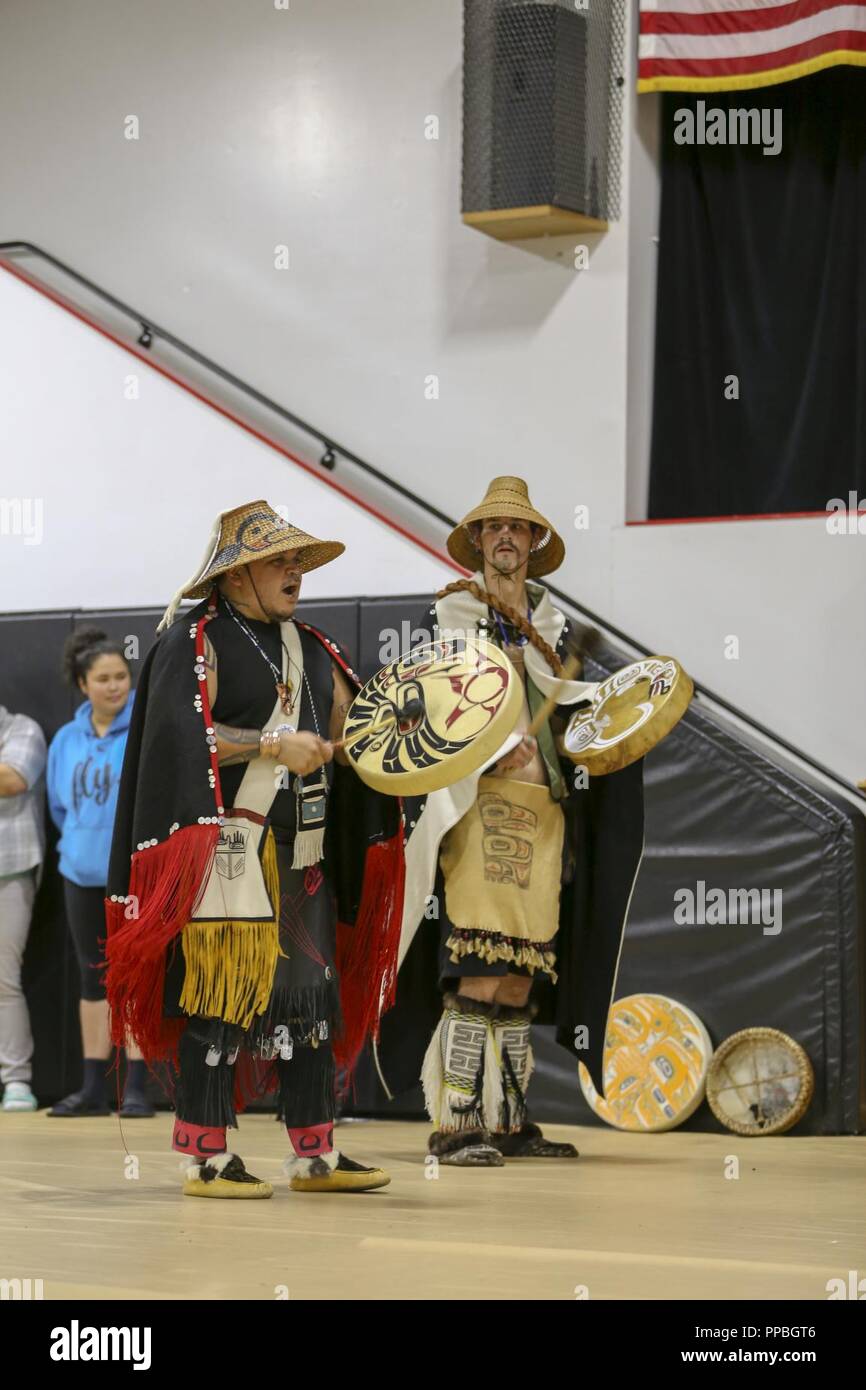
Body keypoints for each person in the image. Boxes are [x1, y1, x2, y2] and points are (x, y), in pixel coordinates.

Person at [105, 501, 404, 1198]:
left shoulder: (315, 648)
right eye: (281, 560)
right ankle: (205, 1158)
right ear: (238, 576)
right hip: (227, 853)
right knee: (224, 998)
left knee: (310, 1001)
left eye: (298, 559)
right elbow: (182, 739)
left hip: (304, 853)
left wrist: (411, 736)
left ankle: (314, 1154)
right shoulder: (193, 640)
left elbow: (354, 735)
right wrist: (272, 743)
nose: (295, 571)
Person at [376, 476, 645, 1165]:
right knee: (476, 963)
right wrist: (493, 743)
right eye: (492, 526)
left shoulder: (553, 627)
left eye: (516, 527)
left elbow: (571, 706)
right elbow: (438, 705)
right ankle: (456, 1120)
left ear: (533, 542)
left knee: (523, 972)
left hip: (544, 813)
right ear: (478, 542)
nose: (504, 536)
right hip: (478, 808)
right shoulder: (453, 617)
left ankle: (509, 1119)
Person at [46, 630, 151, 1117]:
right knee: (93, 979)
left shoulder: (144, 729)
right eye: (103, 679)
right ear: (83, 684)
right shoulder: (67, 739)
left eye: (121, 677)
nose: (115, 686)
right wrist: (82, 843)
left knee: (135, 976)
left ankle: (137, 1088)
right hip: (79, 872)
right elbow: (59, 807)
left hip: (132, 874)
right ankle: (92, 1086)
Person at [0, 704, 47, 1112]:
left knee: (3, 978)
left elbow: (12, 779)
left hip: (9, 872)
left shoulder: (22, 728)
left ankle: (16, 1079)